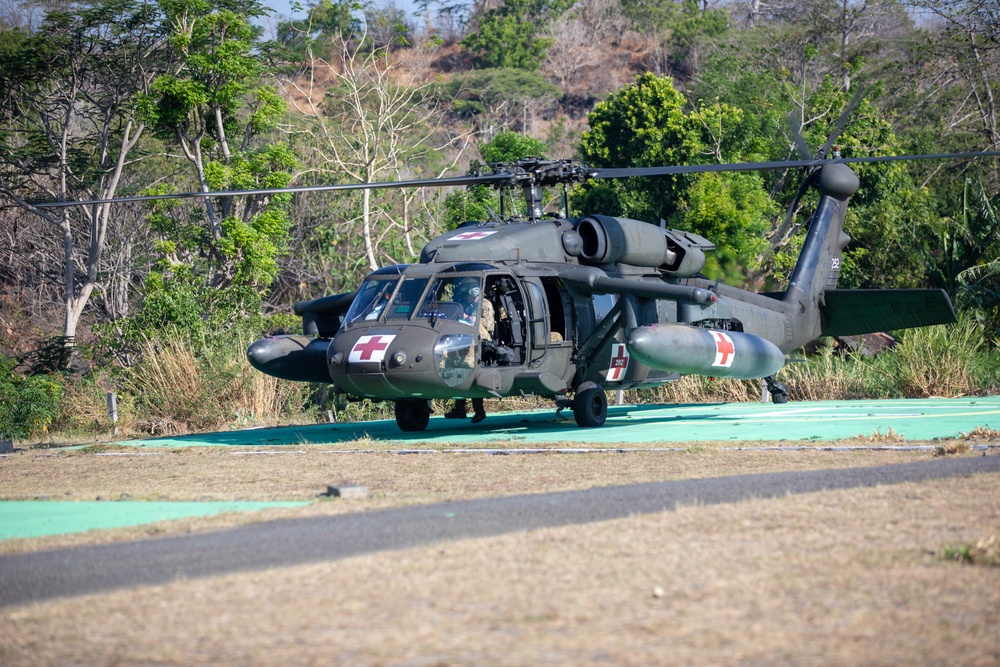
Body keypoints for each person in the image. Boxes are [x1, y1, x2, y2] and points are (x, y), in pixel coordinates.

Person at [445, 278, 492, 424]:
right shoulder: (469, 305)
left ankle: (477, 410)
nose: (466, 298)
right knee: (460, 374)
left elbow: (488, 324)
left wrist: (469, 318)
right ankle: (461, 408)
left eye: (467, 294)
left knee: (468, 373)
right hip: (465, 340)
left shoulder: (485, 304)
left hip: (481, 339)